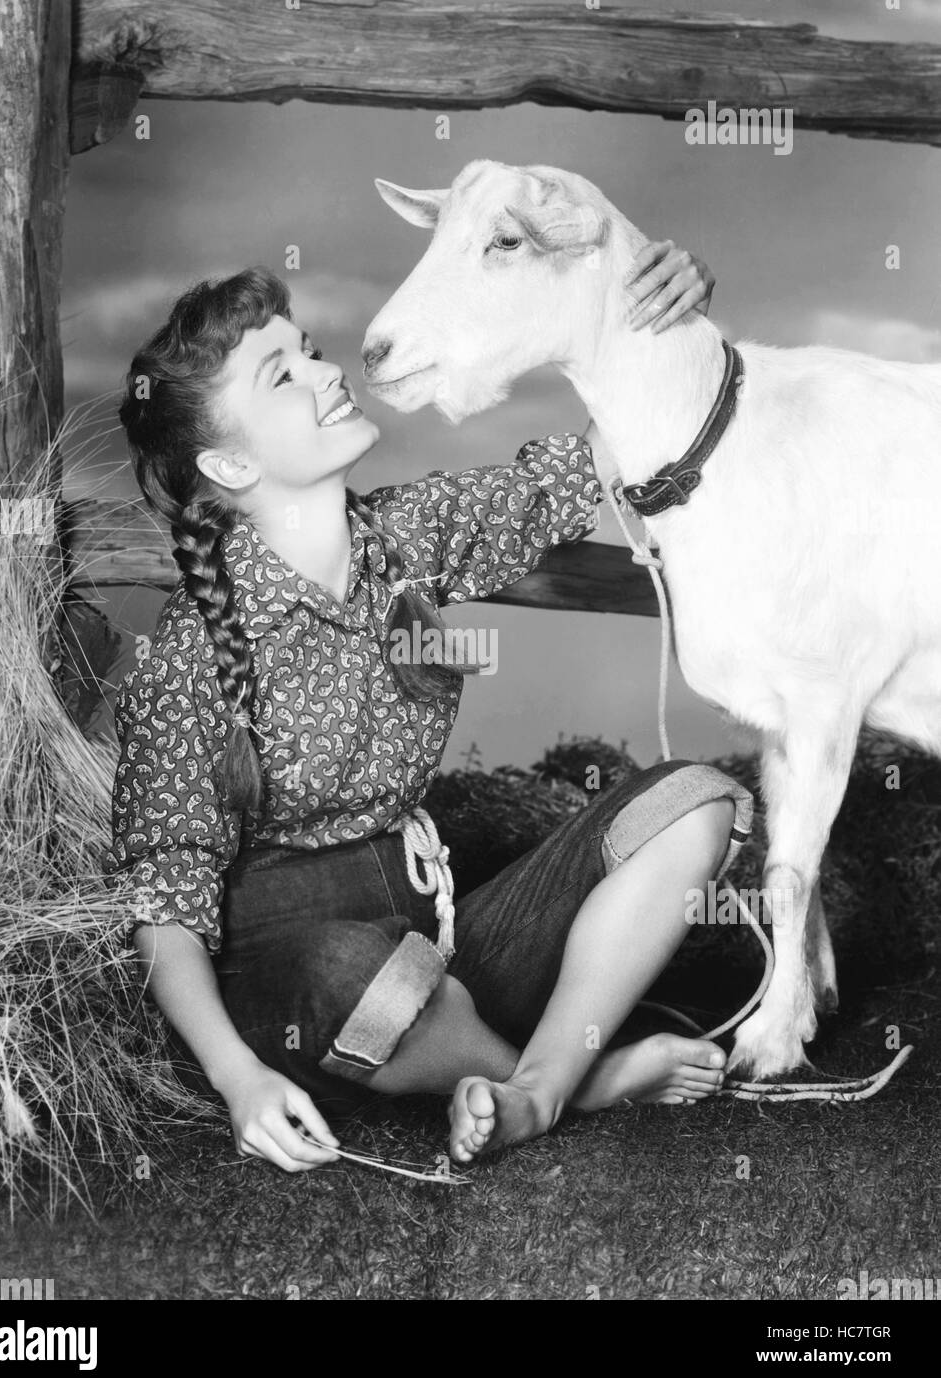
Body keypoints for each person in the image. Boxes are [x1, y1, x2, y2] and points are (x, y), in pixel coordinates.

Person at [105, 240, 753, 1173]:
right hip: (306, 994)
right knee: (353, 975)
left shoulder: (406, 536)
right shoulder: (192, 651)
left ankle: (535, 1090)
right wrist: (238, 1078)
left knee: (695, 801)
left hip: (443, 953)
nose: (327, 374)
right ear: (232, 466)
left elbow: (602, 456)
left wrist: (666, 313)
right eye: (281, 375)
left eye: (310, 350)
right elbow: (164, 904)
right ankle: (589, 1081)